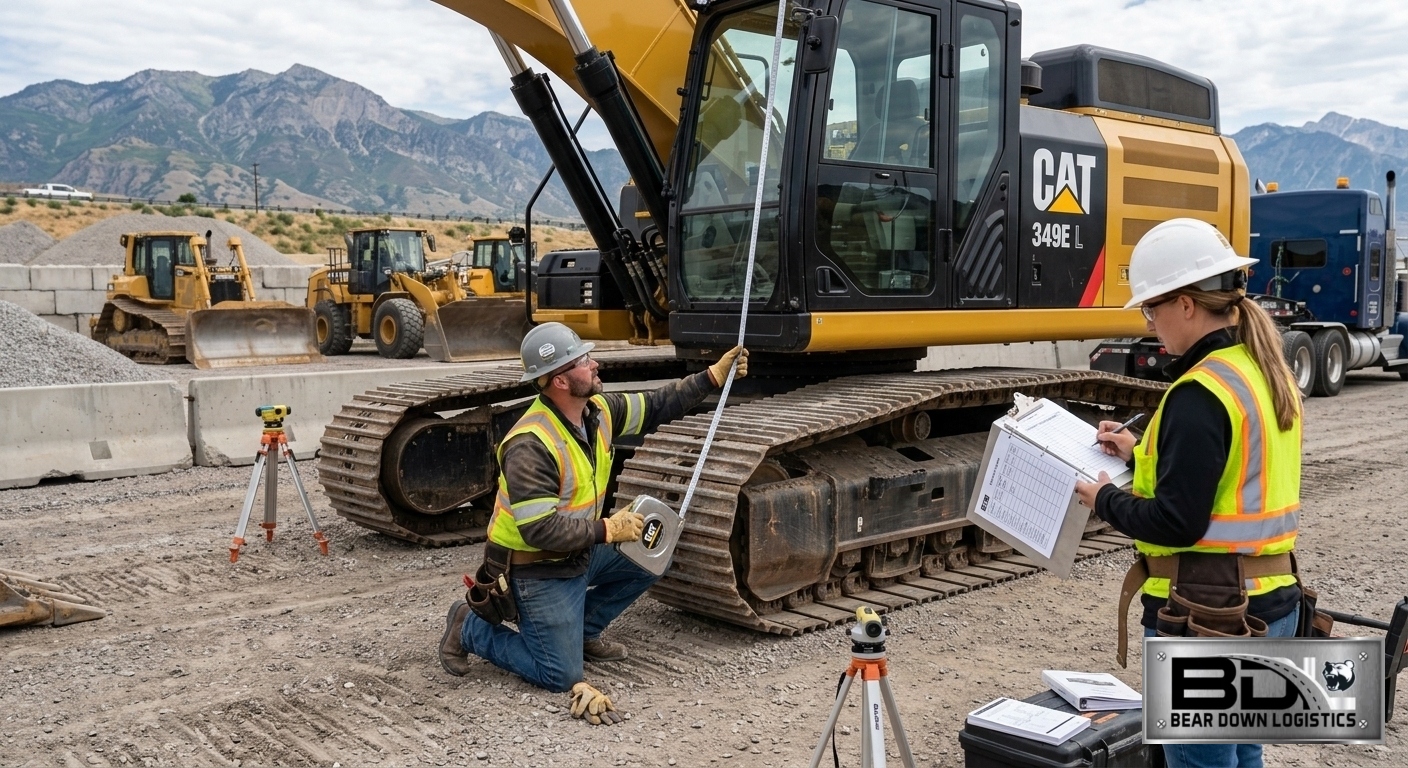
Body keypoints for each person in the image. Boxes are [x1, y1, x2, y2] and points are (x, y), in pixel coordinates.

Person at [1075, 219, 1303, 768]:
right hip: (1269, 603)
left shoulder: (1200, 391)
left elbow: (1178, 521)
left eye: (1151, 309)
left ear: (1185, 304)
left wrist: (1103, 498)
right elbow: (1228, 472)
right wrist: (1137, 451)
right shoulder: (1257, 369)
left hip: (1208, 616)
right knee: (1242, 753)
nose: (1150, 324)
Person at [438, 321, 748, 724]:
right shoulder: (531, 445)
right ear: (560, 381)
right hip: (535, 568)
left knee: (653, 552)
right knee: (559, 674)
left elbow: (655, 406)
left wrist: (711, 377)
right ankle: (468, 628)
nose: (595, 363)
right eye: (584, 360)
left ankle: (582, 630)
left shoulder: (596, 411)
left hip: (576, 553)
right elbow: (539, 530)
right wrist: (608, 529)